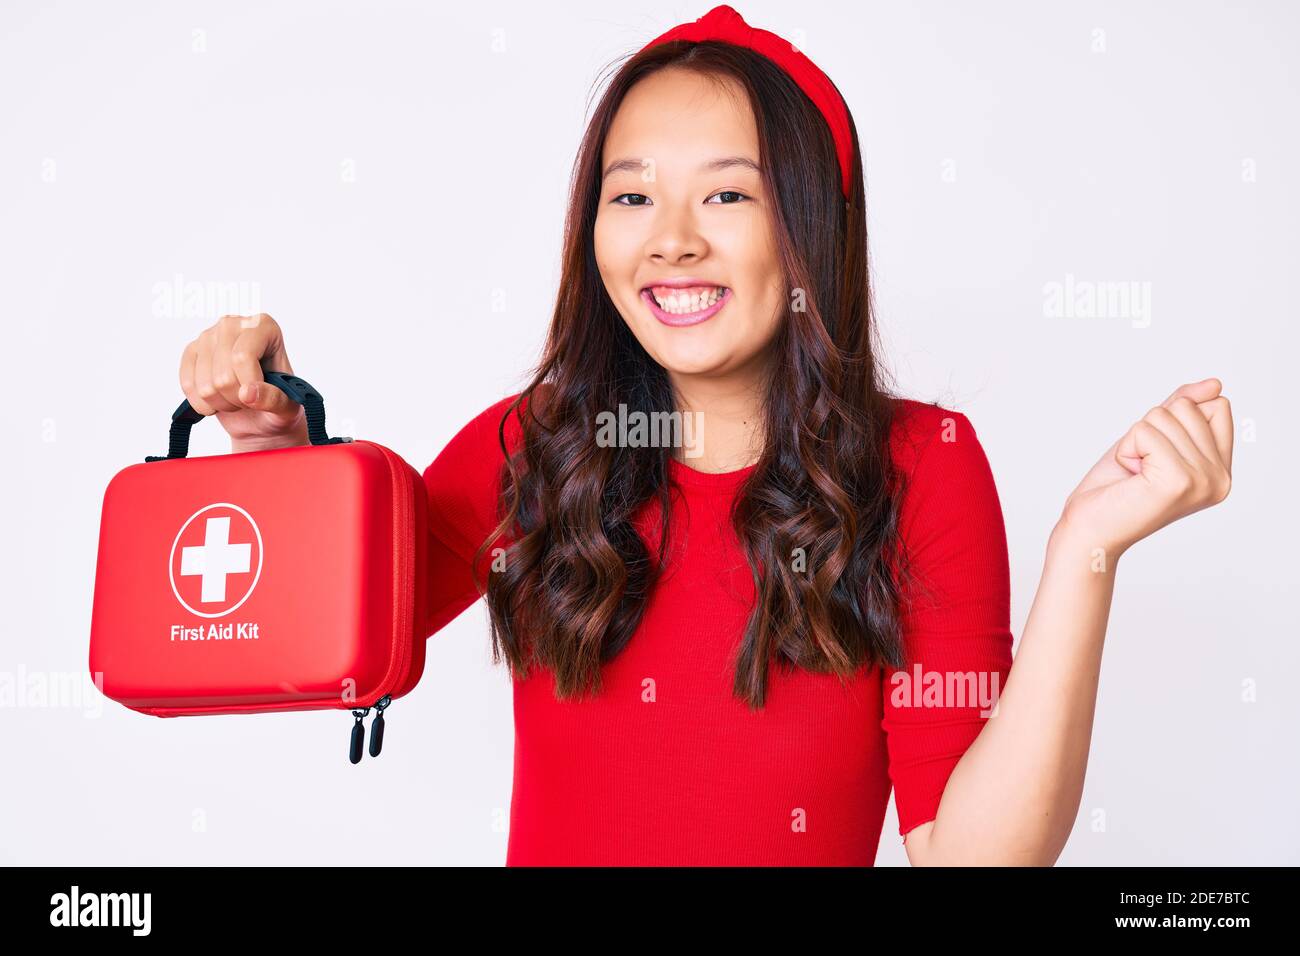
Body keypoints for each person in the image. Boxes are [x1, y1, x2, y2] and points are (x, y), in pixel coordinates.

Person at [172, 5, 1234, 865]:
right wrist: (267, 439)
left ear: (813, 226)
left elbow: (970, 855)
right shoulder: (529, 447)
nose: (671, 239)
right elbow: (329, 635)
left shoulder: (921, 468)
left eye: (727, 192)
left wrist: (1084, 551)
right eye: (630, 194)